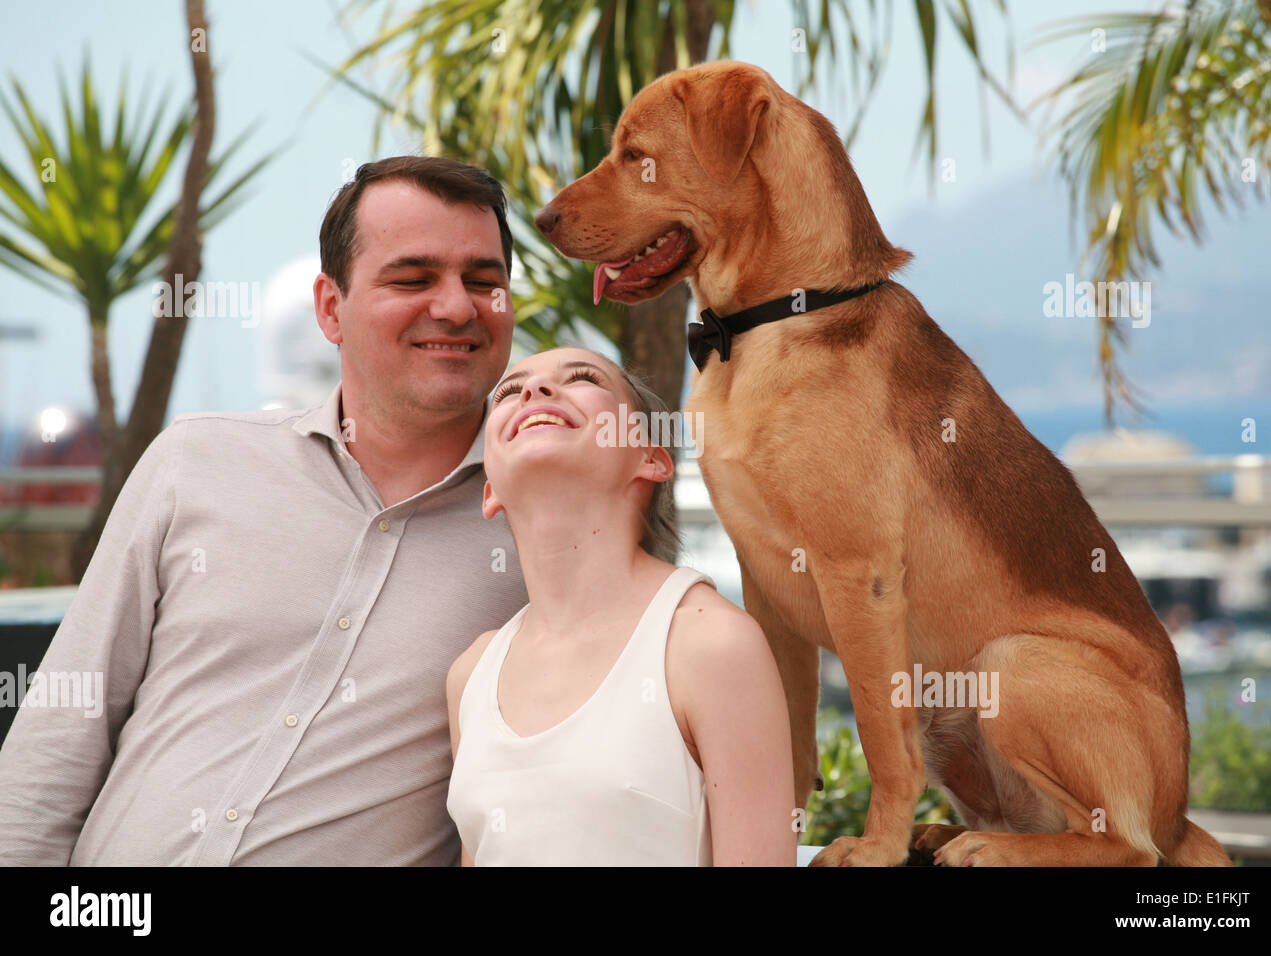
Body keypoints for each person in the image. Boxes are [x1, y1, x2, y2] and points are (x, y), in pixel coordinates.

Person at [0, 156, 529, 865]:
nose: (457, 307)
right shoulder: (194, 462)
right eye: (413, 278)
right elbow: (60, 735)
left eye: (484, 282)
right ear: (330, 308)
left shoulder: (549, 528)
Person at [446, 346, 797, 865]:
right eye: (508, 391)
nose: (533, 391)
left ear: (651, 458)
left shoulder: (710, 644)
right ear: (490, 489)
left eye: (583, 378)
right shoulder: (470, 674)